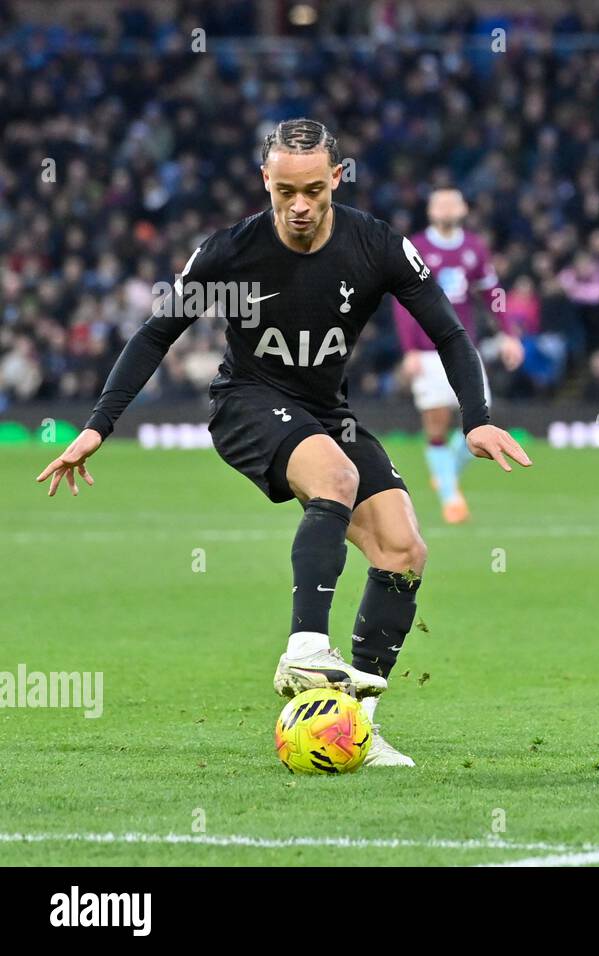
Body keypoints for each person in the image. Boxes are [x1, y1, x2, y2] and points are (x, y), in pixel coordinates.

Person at [37, 119, 530, 767]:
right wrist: (98, 426)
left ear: (337, 180)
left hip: (327, 411)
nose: (300, 207)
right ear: (264, 181)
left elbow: (450, 333)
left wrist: (477, 417)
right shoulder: (230, 254)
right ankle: (304, 648)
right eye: (286, 192)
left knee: (404, 549)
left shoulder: (375, 245)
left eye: (315, 192)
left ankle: (353, 723)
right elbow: (158, 333)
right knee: (335, 477)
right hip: (245, 404)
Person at [394, 187, 523, 524]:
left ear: (464, 208)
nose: (447, 207)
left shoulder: (474, 248)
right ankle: (451, 497)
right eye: (441, 202)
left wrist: (508, 334)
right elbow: (401, 303)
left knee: (482, 418)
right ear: (431, 210)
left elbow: (492, 294)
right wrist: (408, 350)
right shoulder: (417, 247)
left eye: (454, 201)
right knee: (436, 424)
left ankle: (446, 471)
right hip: (427, 349)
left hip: (464, 347)